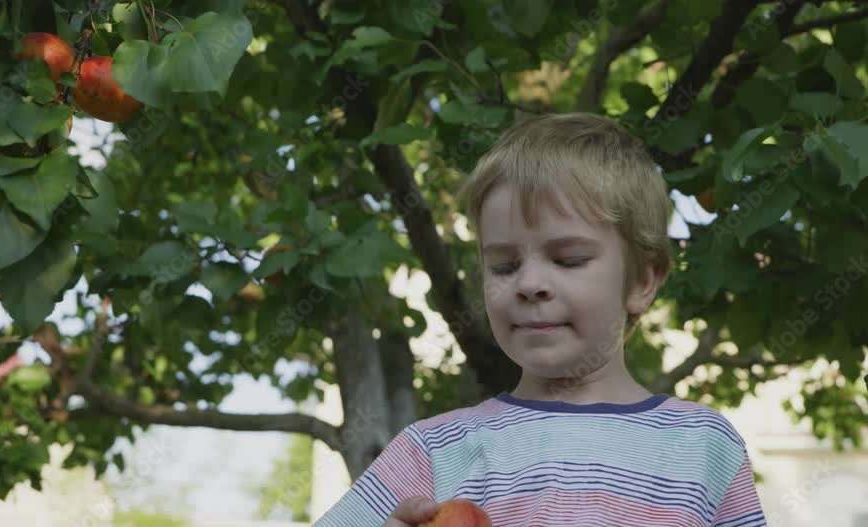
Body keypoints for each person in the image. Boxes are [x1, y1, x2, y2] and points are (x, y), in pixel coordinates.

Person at [312, 113, 768, 526]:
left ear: (643, 281)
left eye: (568, 259)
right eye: (504, 266)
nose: (528, 283)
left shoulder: (704, 447)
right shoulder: (431, 453)